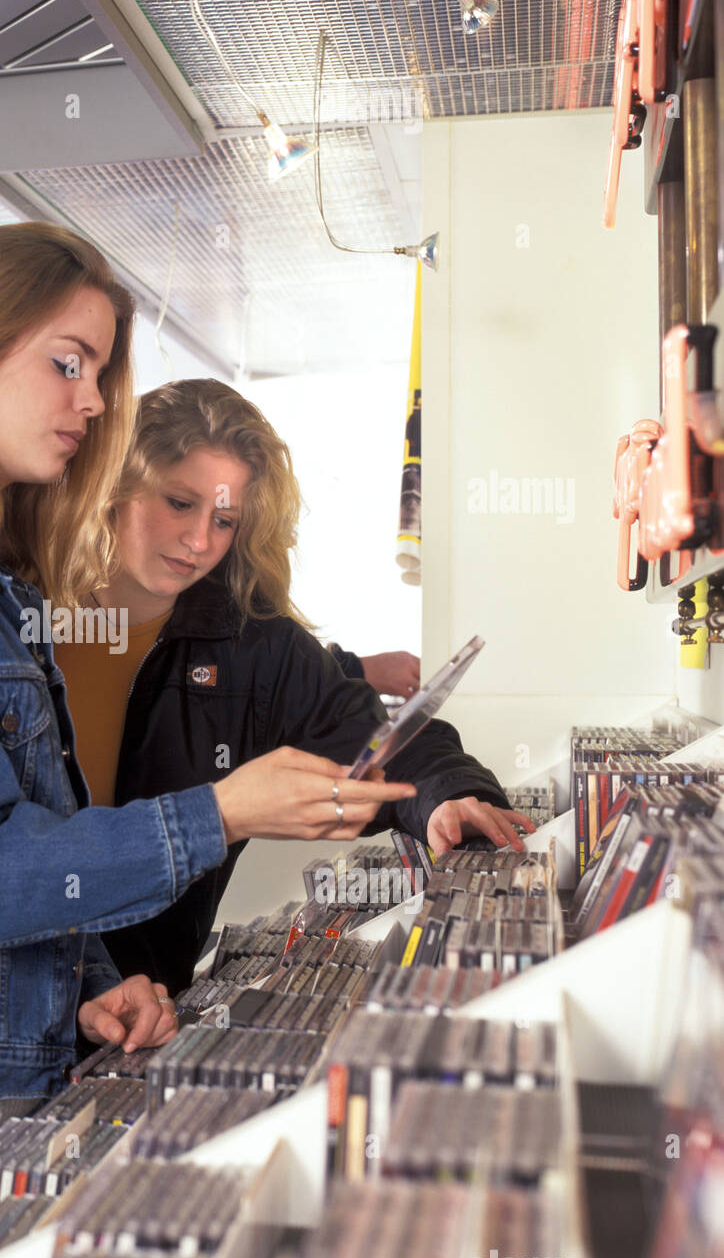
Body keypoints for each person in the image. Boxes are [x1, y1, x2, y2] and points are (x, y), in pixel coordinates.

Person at [0, 224, 417, 1258]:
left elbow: (17, 843)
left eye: (98, 371)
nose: (94, 401)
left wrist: (87, 979)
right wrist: (222, 811)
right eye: (67, 362)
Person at [56, 378, 533, 996]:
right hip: (0, 1016)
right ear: (115, 487)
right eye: (179, 503)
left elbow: (379, 740)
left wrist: (448, 797)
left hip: (141, 1013)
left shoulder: (254, 647)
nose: (200, 540)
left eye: (224, 519)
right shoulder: (18, 614)